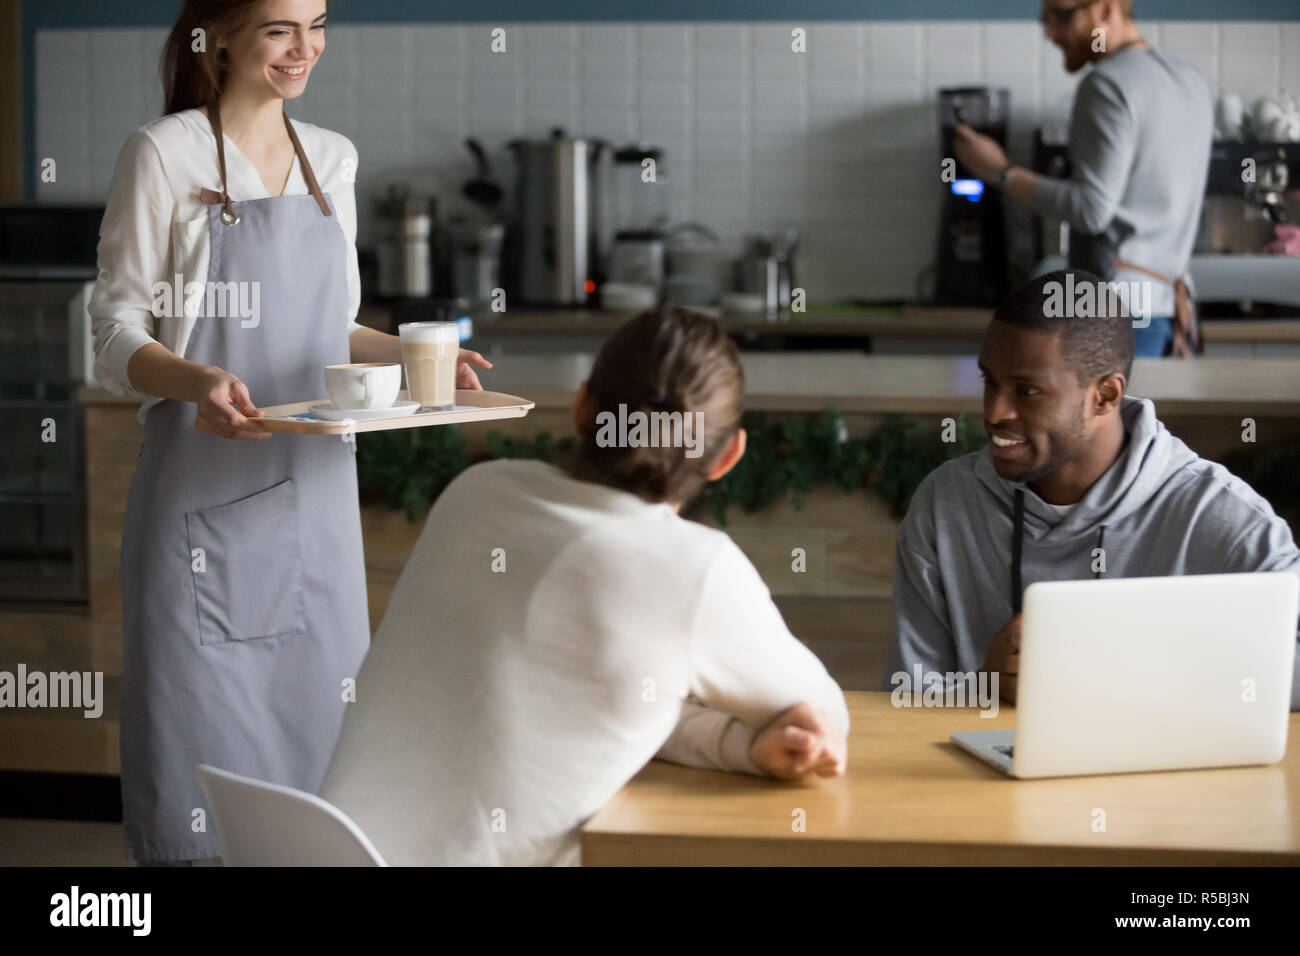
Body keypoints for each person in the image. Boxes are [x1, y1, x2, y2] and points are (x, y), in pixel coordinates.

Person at [90, 0, 490, 864]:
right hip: (202, 496)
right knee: (201, 747)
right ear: (221, 33)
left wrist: (425, 361)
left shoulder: (331, 158)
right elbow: (114, 333)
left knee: (323, 748)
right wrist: (197, 380)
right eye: (279, 28)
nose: (305, 48)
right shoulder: (164, 153)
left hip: (315, 507)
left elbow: (331, 329)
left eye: (317, 23)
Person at [319, 306, 850, 866]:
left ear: (581, 408)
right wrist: (738, 744)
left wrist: (735, 746)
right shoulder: (693, 569)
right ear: (728, 457)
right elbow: (822, 720)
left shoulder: (476, 491)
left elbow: (598, 697)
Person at [882, 271, 1300, 709]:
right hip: (983, 773)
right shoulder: (946, 502)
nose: (995, 411)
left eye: (1026, 391)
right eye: (989, 382)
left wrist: (1120, 669)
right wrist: (985, 685)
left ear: (1105, 395)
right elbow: (906, 696)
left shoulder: (1219, 516)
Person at [953, 0, 1213, 358]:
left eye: (1061, 16)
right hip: (1172, 309)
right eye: (1045, 19)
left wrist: (1000, 171)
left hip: (1115, 310)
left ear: (1106, 10)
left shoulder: (1107, 83)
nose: (1049, 32)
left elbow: (1092, 209)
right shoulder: (1190, 81)